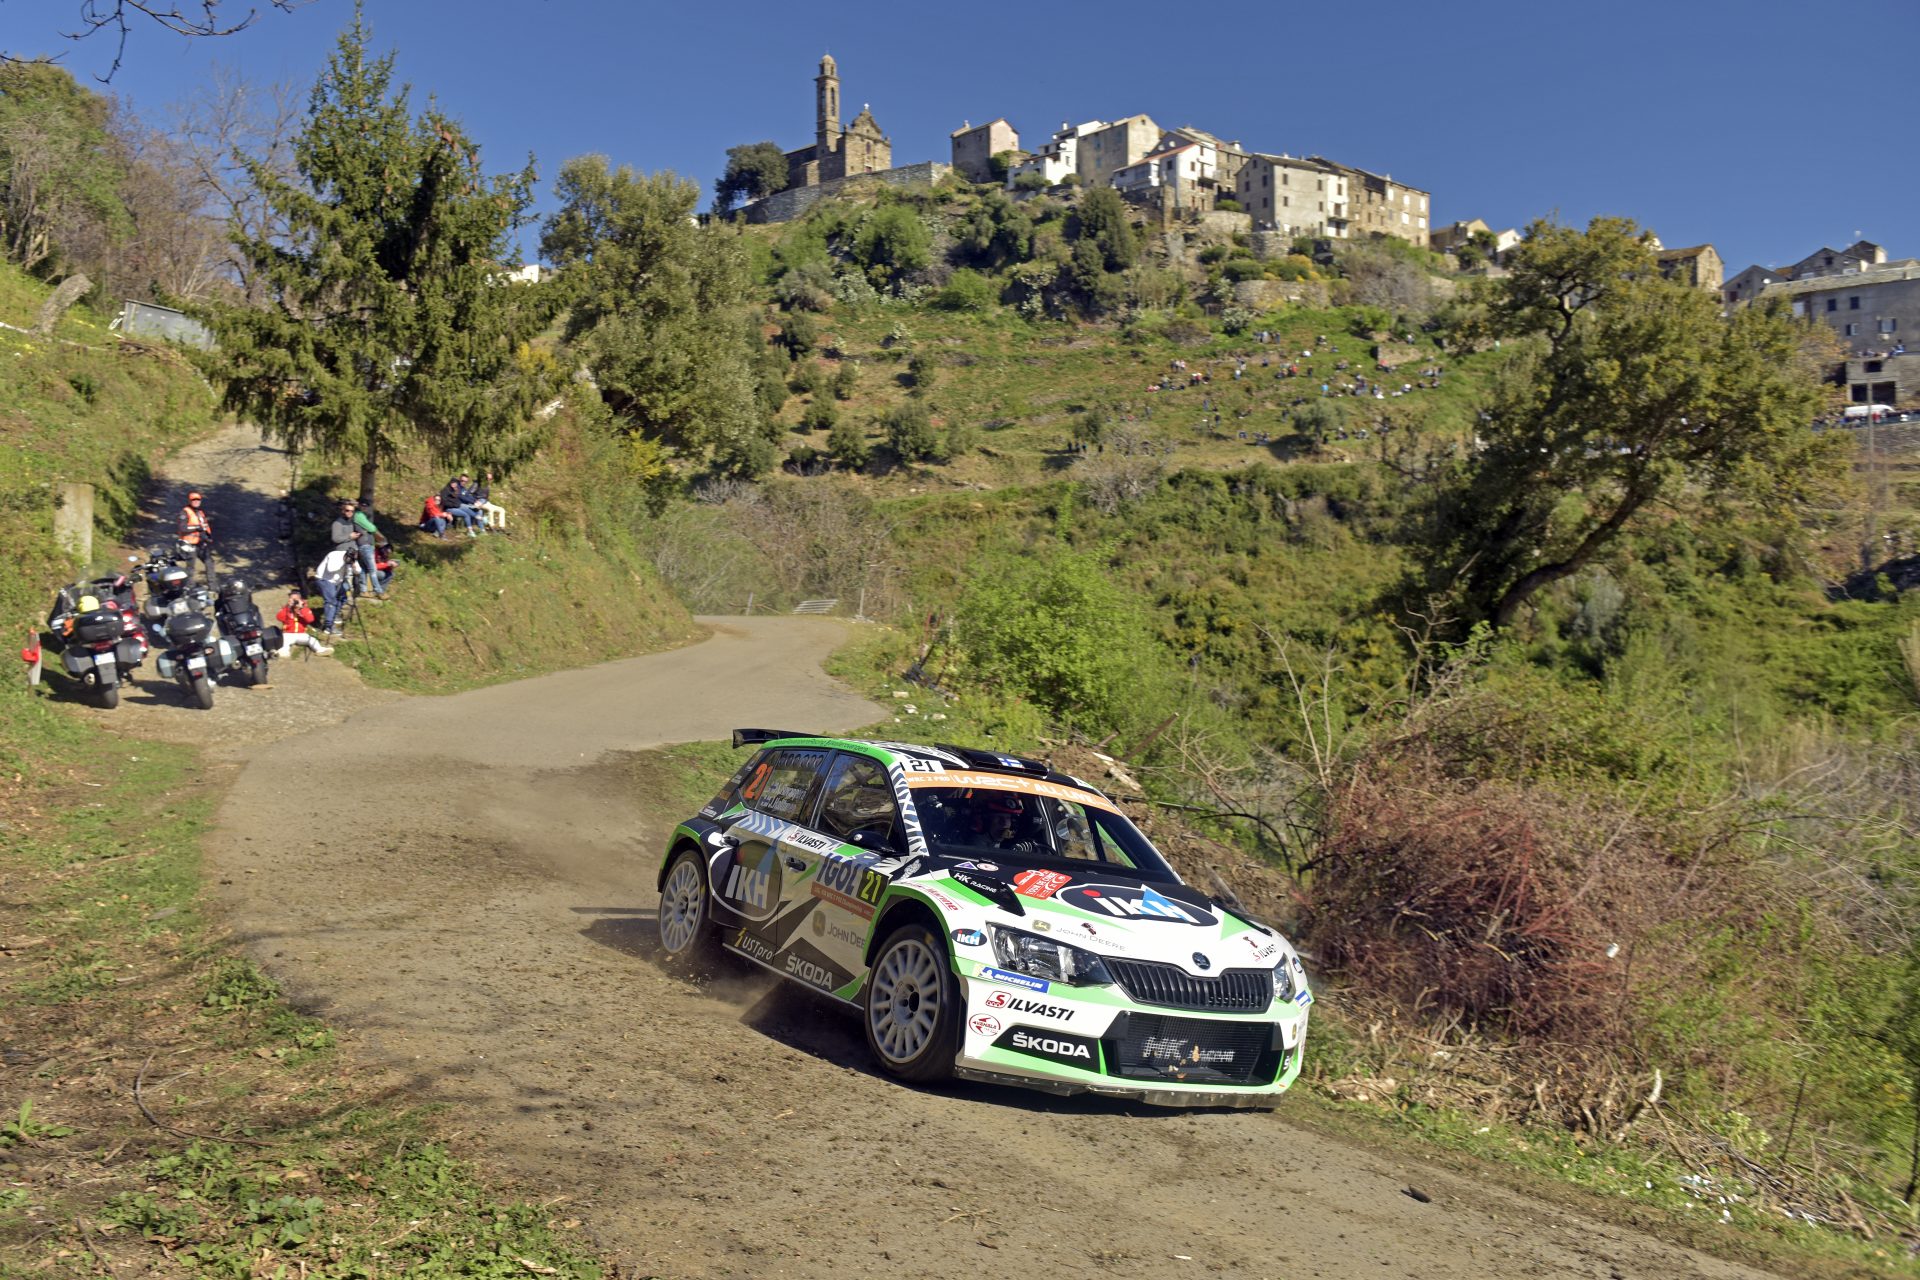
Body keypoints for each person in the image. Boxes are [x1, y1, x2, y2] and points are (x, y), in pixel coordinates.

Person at [348, 499, 389, 601]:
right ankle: (379, 591)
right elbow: (371, 528)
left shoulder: (358, 515)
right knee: (372, 569)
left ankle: (363, 590)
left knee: (363, 569)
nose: (365, 507)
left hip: (362, 545)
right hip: (366, 545)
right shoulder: (359, 515)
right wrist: (381, 538)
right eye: (363, 505)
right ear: (359, 505)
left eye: (366, 505)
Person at [275, 589, 332, 656]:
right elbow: (279, 618)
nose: (294, 601)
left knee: (312, 639)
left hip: (301, 634)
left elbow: (310, 619)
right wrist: (288, 607)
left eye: (296, 599)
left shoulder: (305, 608)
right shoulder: (286, 609)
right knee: (284, 641)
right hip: (288, 633)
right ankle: (283, 651)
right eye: (291, 599)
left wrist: (301, 609)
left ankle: (320, 650)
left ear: (300, 599)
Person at [313, 545, 351, 637]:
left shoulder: (352, 559)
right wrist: (344, 563)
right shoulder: (334, 555)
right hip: (324, 579)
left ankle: (335, 614)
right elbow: (330, 569)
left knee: (343, 598)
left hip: (338, 582)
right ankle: (329, 626)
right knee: (331, 601)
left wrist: (353, 565)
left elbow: (356, 571)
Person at [177, 490, 215, 585]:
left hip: (200, 543)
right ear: (190, 501)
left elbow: (204, 526)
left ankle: (213, 587)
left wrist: (208, 537)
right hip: (189, 544)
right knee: (191, 568)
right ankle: (188, 588)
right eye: (193, 499)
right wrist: (196, 528)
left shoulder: (200, 512)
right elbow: (183, 528)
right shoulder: (185, 512)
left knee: (209, 562)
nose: (196, 501)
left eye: (198, 499)